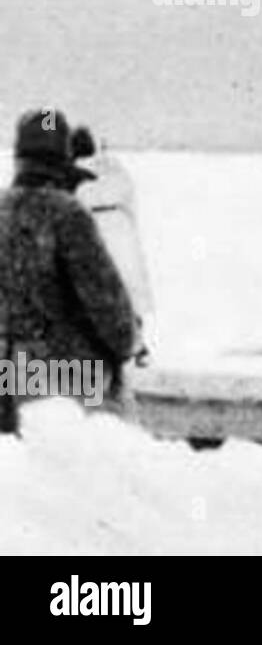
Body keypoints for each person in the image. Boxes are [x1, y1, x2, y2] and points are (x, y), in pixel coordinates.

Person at [0, 110, 139, 434]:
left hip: (7, 370)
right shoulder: (67, 214)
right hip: (60, 373)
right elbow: (108, 305)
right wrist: (125, 345)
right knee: (103, 454)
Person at [69, 126, 157, 360]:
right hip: (121, 232)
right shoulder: (115, 169)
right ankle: (138, 347)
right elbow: (127, 196)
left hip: (93, 231)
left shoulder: (70, 174)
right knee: (129, 291)